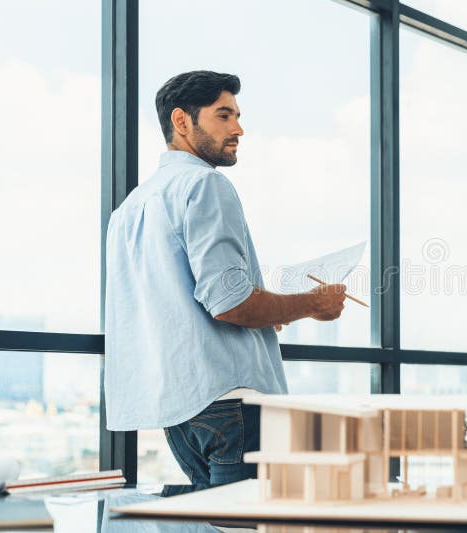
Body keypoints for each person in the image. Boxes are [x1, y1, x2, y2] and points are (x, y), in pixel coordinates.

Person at [104, 70, 346, 494]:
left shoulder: (130, 208)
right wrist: (312, 303)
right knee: (248, 520)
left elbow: (174, 304)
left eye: (237, 116)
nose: (238, 129)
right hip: (231, 404)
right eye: (223, 115)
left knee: (217, 518)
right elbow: (230, 303)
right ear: (182, 121)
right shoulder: (205, 185)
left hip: (178, 410)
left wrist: (264, 311)